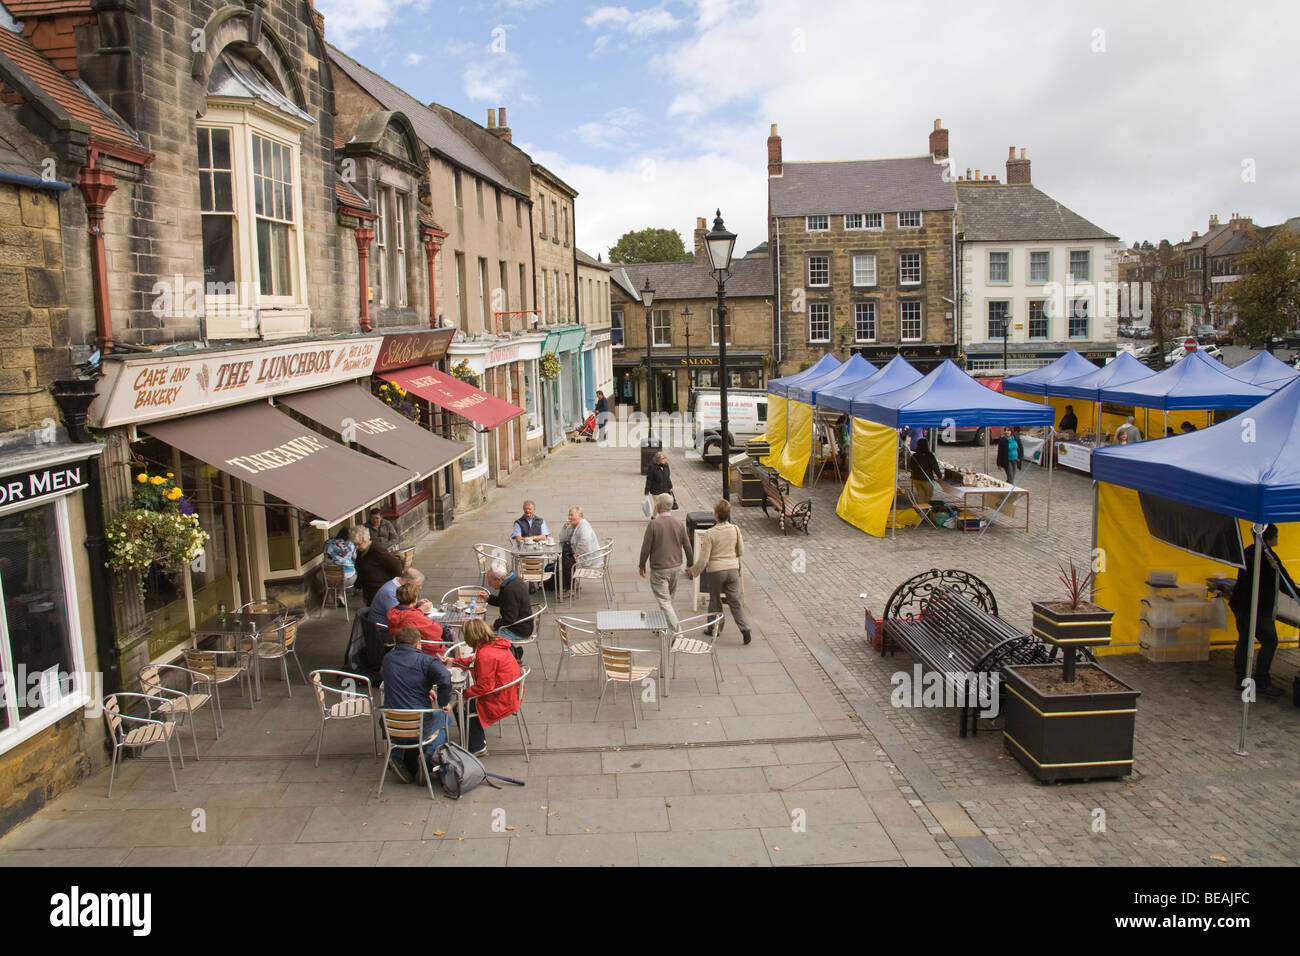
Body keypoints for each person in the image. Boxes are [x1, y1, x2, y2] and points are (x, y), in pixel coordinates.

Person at [1231, 524, 1298, 697]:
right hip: (1258, 608)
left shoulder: (1248, 551)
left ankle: (1241, 678)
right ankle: (1261, 680)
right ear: (1270, 537)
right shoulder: (1269, 558)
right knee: (1270, 641)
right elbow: (1284, 582)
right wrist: (1297, 596)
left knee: (1245, 639)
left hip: (1240, 603)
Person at [379, 625, 453, 783]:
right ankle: (428, 757)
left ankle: (396, 756)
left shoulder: (387, 659)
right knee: (445, 718)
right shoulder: (426, 661)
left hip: (391, 722)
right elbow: (445, 678)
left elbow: (401, 679)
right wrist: (443, 702)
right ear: (418, 643)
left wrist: (424, 689)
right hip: (419, 722)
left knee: (402, 714)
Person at [448, 619, 524, 758]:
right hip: (510, 692)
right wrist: (456, 662)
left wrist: (465, 694)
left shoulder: (485, 654)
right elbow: (476, 661)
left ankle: (476, 746)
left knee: (460, 706)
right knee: (465, 702)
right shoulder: (494, 645)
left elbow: (484, 686)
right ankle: (475, 741)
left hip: (501, 698)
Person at [684, 498, 752, 644]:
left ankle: (715, 628)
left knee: (715, 600)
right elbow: (740, 550)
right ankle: (745, 628)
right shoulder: (735, 529)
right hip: (732, 570)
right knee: (734, 600)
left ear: (716, 515)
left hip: (716, 571)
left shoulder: (710, 533)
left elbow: (704, 559)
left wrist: (693, 571)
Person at [639, 492, 693, 633]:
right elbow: (687, 546)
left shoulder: (654, 524)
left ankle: (677, 632)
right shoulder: (678, 524)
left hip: (660, 569)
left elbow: (646, 548)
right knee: (667, 601)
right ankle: (663, 626)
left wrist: (641, 565)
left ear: (658, 506)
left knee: (665, 602)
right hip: (675, 567)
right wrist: (690, 564)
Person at [485, 561, 533, 662]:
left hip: (519, 629)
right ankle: (513, 652)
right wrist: (488, 598)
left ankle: (512, 657)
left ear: (499, 580)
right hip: (522, 623)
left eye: (490, 582)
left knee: (487, 640)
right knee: (487, 635)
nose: (489, 585)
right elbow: (504, 602)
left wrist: (494, 625)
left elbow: (509, 619)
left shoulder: (509, 590)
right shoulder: (514, 581)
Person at [386, 581, 445, 656]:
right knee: (449, 632)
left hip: (402, 646)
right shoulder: (413, 616)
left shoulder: (392, 612)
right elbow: (437, 631)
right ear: (415, 598)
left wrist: (417, 607)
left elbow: (406, 612)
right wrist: (420, 610)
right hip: (423, 650)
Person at [353, 525, 404, 605]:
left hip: (379, 590)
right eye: (354, 544)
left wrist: (393, 584)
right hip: (370, 591)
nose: (356, 547)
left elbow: (396, 565)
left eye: (359, 544)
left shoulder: (377, 551)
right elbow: (362, 569)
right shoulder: (362, 551)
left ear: (366, 540)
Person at [556, 505, 599, 596]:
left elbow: (585, 541)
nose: (569, 517)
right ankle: (573, 583)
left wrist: (577, 553)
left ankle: (570, 588)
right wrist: (564, 528)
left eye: (572, 515)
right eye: (569, 515)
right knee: (562, 556)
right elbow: (562, 539)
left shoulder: (583, 527)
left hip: (587, 556)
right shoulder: (573, 526)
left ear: (580, 516)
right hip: (580, 553)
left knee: (566, 561)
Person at [323, 531, 356, 602]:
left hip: (327, 577)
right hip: (345, 577)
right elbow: (355, 558)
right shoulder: (350, 545)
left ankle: (332, 597)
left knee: (335, 569)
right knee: (349, 572)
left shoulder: (327, 543)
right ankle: (340, 594)